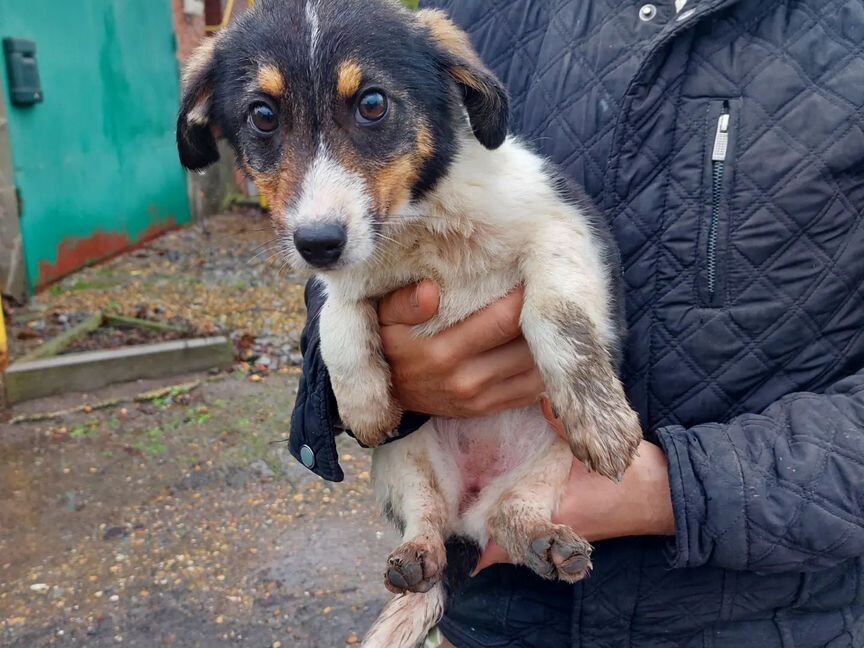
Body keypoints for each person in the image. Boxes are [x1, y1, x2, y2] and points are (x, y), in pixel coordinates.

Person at [289, 0, 864, 646]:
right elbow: (354, 234)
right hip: (499, 621)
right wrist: (363, 354)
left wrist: (677, 492)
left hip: (766, 621)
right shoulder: (482, 15)